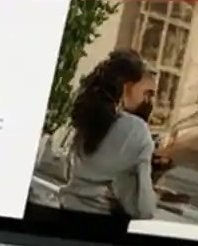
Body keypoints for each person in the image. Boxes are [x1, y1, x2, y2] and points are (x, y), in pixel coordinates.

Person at [58, 49, 160, 221]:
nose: (148, 101)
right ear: (127, 87)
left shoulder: (85, 120)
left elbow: (66, 170)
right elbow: (144, 209)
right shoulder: (136, 130)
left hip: (64, 214)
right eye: (146, 93)